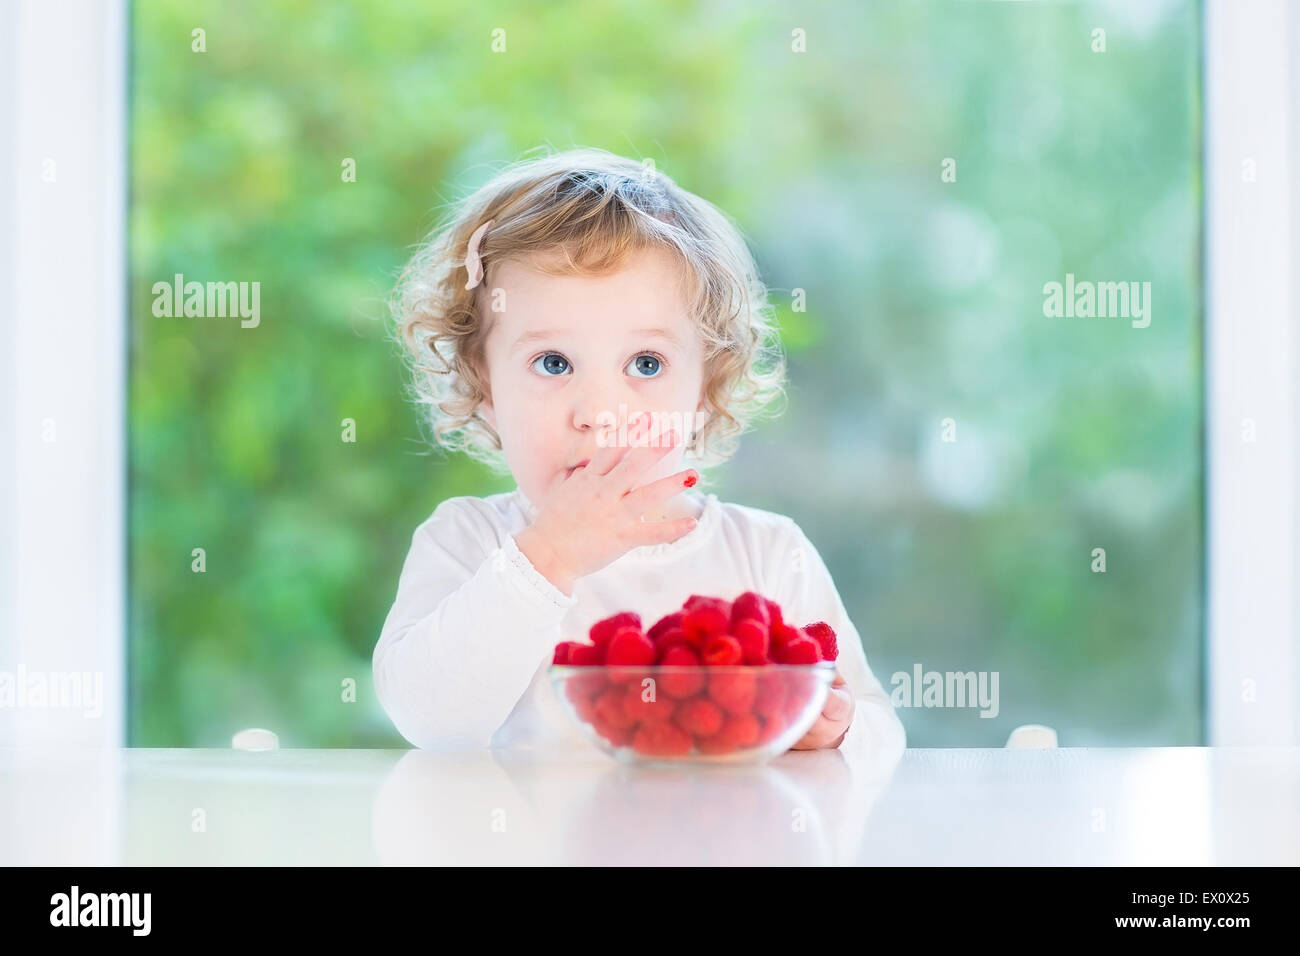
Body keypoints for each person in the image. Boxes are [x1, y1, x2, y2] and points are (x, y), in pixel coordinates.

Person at [374, 146, 904, 755]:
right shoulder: (468, 542)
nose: (600, 414)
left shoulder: (768, 553)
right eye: (553, 363)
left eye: (645, 364)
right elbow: (429, 718)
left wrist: (835, 729)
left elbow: (881, 736)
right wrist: (548, 557)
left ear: (705, 388)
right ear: (485, 387)